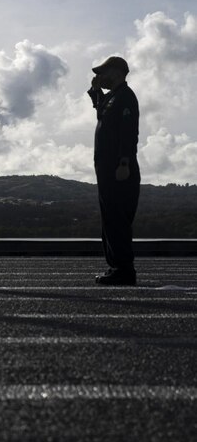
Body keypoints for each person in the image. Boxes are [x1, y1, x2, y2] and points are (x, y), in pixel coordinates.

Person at [88, 55, 140, 285]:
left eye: (104, 72)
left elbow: (128, 132)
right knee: (110, 217)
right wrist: (95, 93)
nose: (99, 76)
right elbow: (102, 114)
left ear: (118, 72)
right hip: (107, 168)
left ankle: (124, 270)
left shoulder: (126, 97)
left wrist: (124, 163)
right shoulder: (112, 97)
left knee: (117, 217)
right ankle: (117, 267)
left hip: (118, 168)